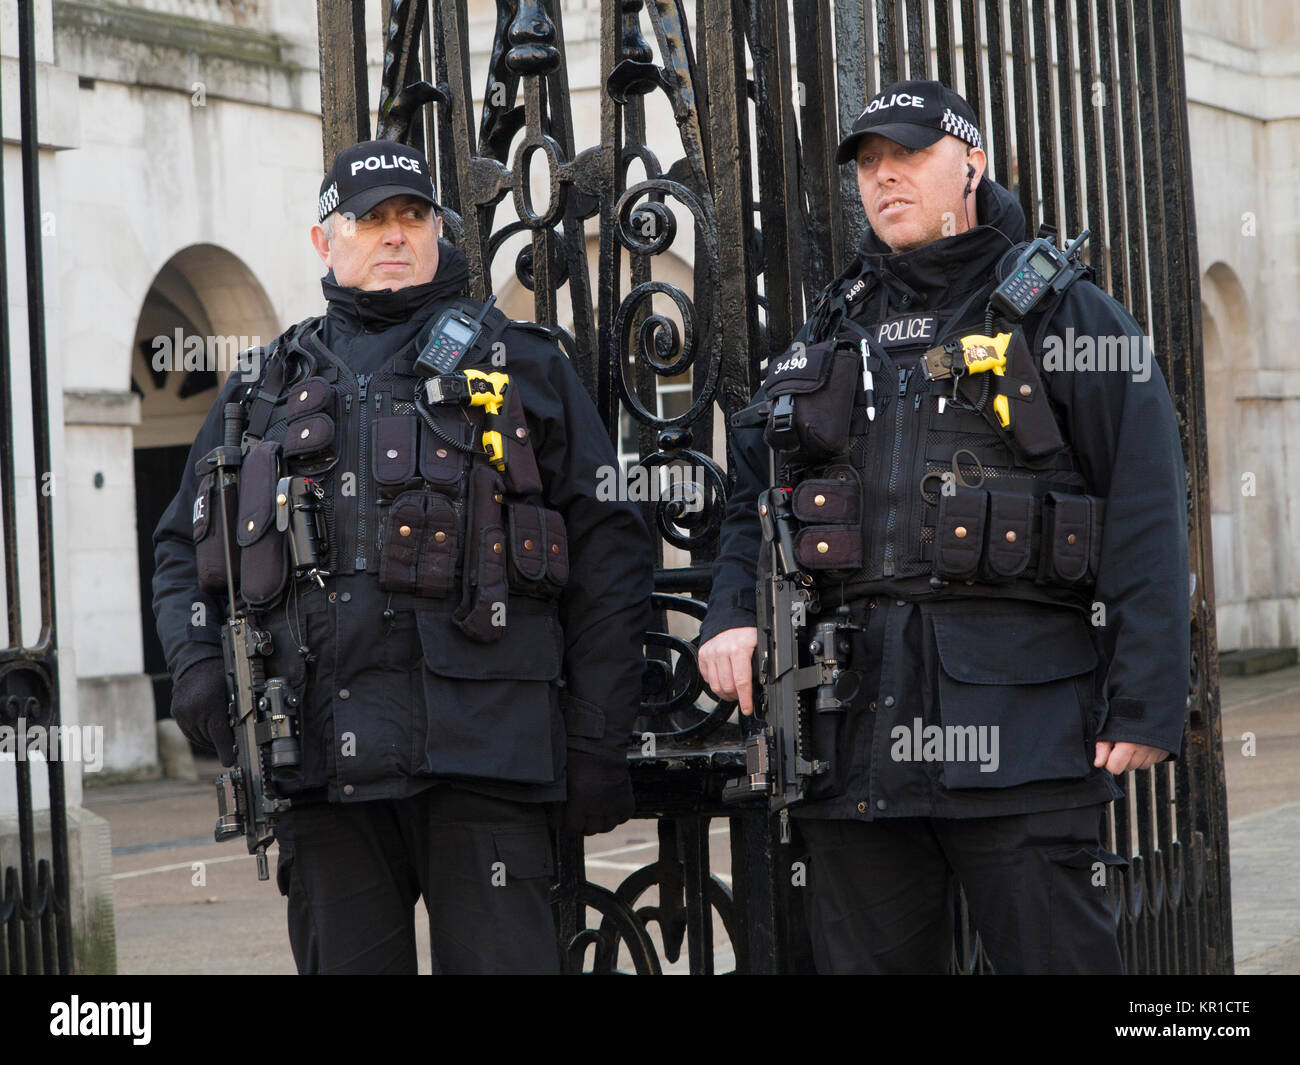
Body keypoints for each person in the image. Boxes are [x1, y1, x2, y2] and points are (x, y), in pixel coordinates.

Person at [698, 81, 1188, 974]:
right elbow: (752, 497)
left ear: (972, 161)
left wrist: (1149, 693)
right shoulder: (834, 325)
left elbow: (1148, 503)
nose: (886, 180)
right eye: (870, 166)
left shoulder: (1063, 313)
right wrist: (731, 611)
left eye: (909, 157)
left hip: (1023, 723)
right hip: (851, 735)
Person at [152, 139, 652, 974]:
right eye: (369, 218)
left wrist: (598, 733)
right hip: (318, 767)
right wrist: (198, 671)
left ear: (438, 233)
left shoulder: (520, 363)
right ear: (324, 239)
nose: (393, 234)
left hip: (485, 763)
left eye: (412, 216)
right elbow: (180, 547)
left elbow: (609, 544)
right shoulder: (260, 386)